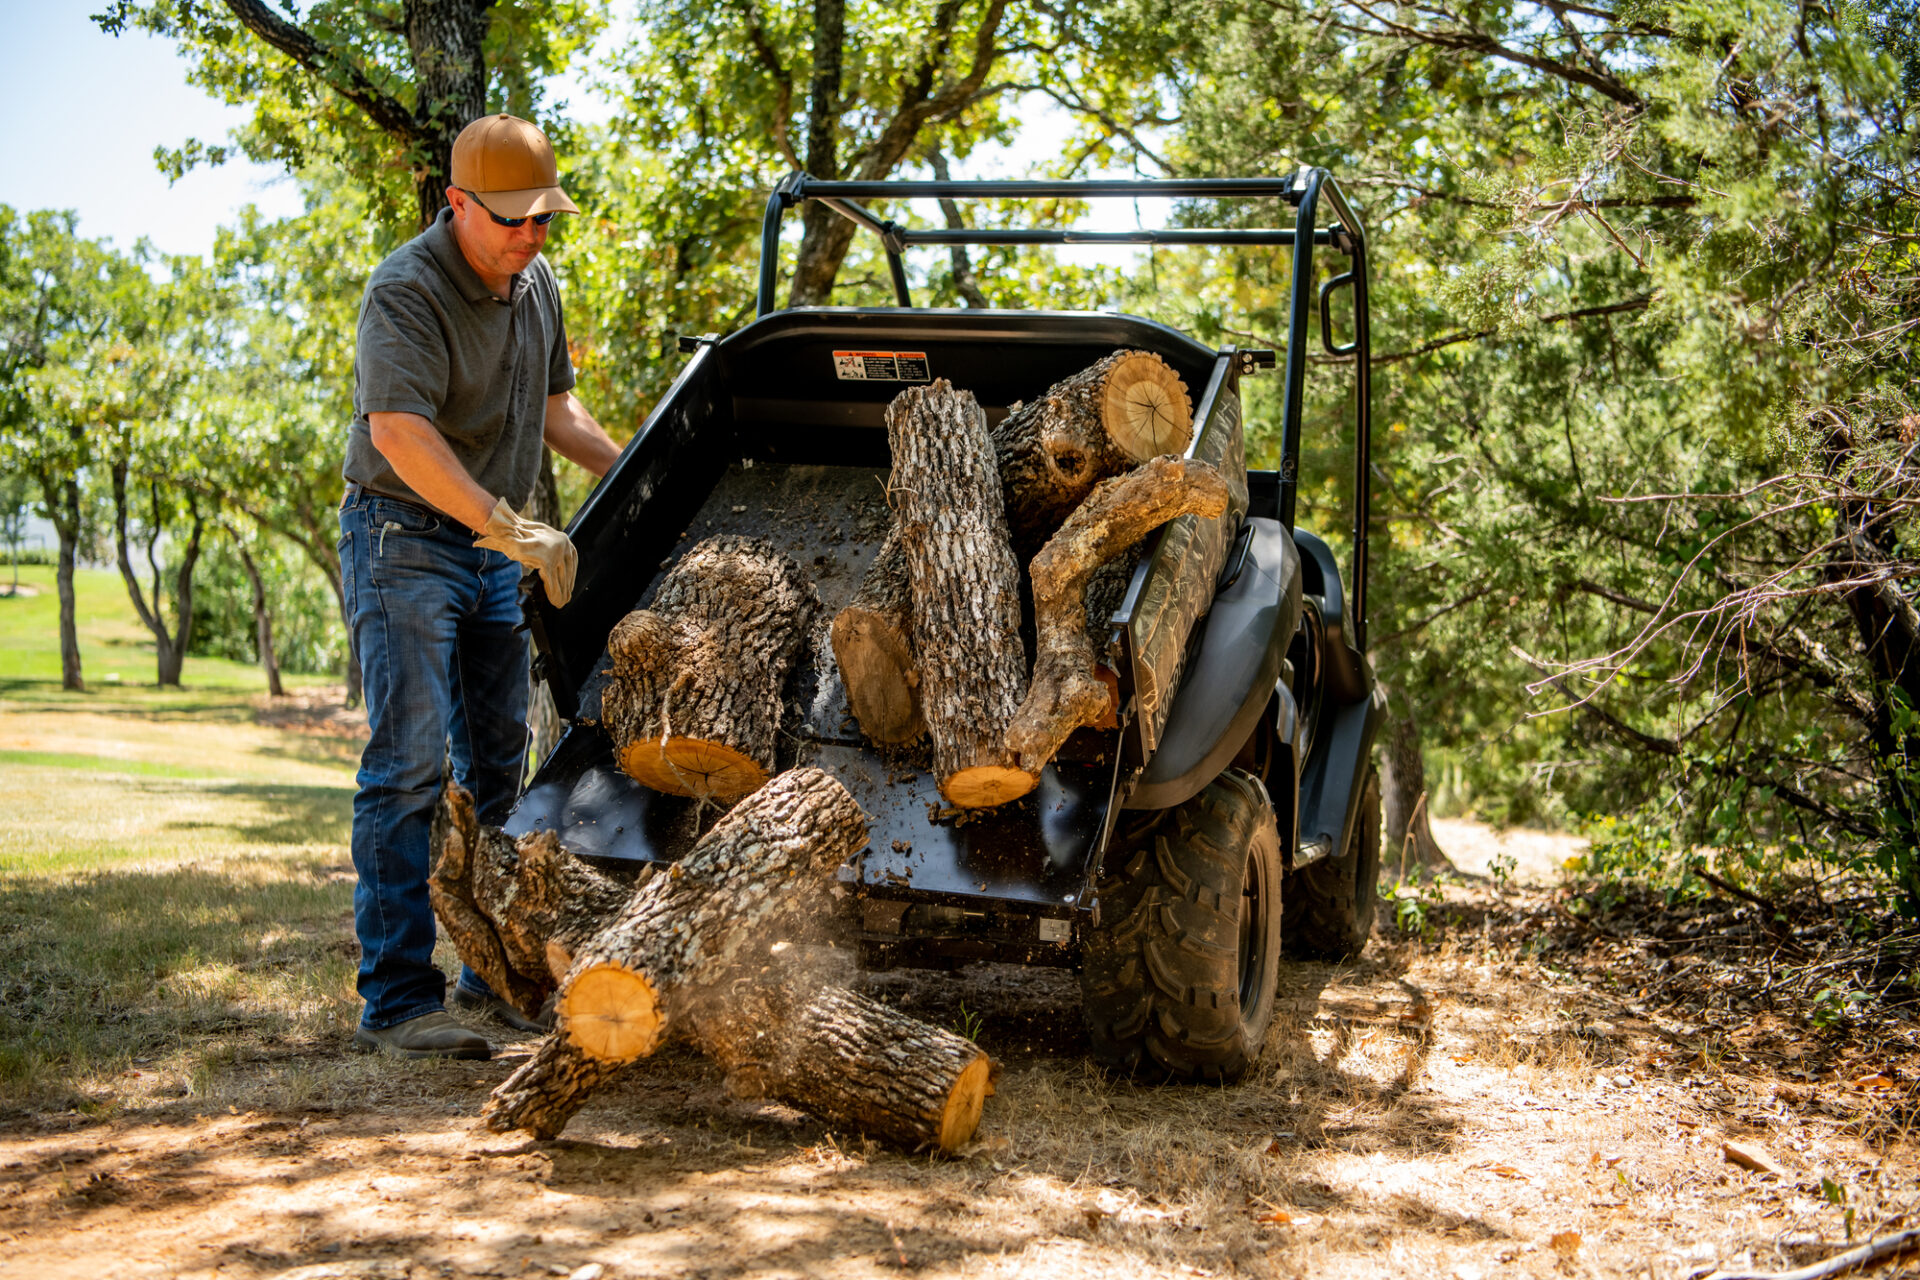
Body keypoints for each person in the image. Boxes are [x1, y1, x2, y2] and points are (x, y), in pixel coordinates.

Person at [340, 113, 621, 1059]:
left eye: (543, 219)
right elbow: (399, 436)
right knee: (409, 766)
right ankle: (396, 1001)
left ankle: (490, 977)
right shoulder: (406, 290)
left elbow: (556, 412)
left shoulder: (535, 281)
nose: (530, 236)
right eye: (510, 220)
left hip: (493, 553)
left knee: (500, 769)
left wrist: (637, 466)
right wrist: (505, 525)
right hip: (404, 541)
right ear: (455, 203)